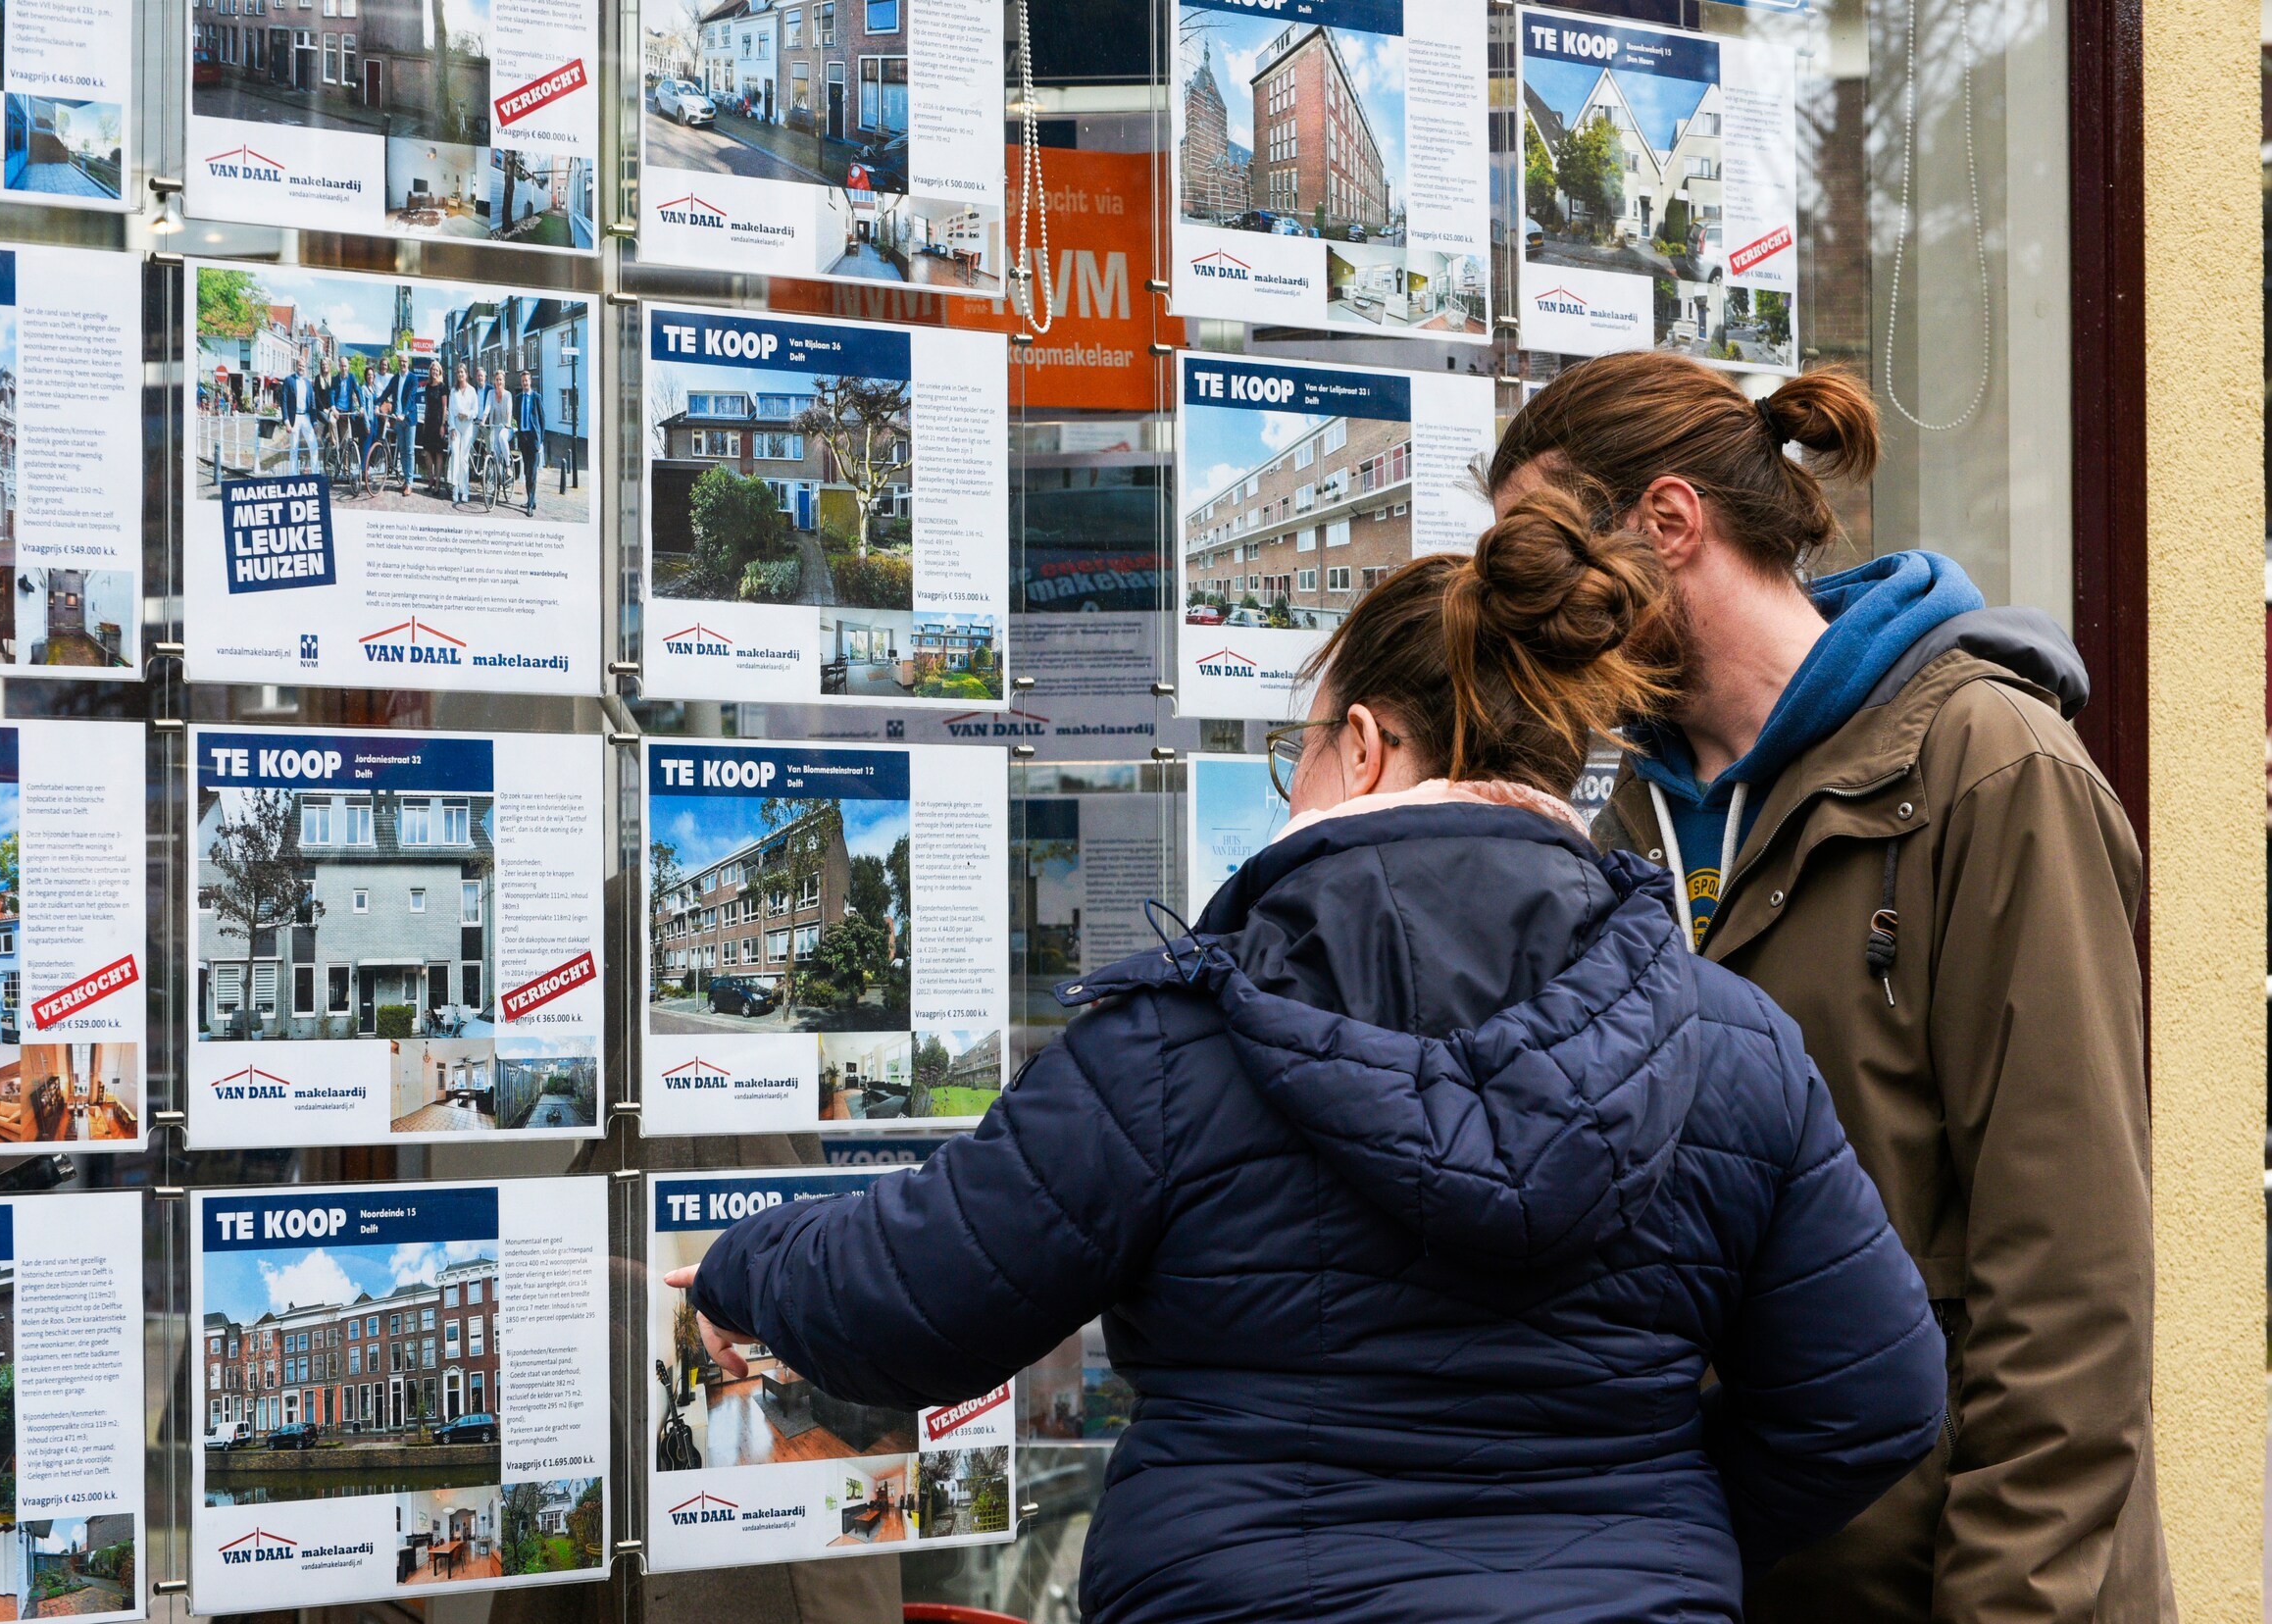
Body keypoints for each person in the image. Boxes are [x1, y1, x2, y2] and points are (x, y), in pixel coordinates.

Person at [667, 530, 1945, 1624]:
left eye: (1308, 750)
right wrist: (1641, 1535)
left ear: (1372, 748)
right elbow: (1876, 1399)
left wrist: (745, 1268)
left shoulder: (1182, 1041)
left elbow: (922, 1301)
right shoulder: (1734, 1042)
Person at [1485, 352, 2165, 1622]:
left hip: (1958, 1582)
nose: (1530, 608)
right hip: (1723, 1579)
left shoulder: (1988, 767)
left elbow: (2072, 1278)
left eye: (1548, 550)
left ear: (1670, 523)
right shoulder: (1631, 826)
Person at [512, 368, 544, 514]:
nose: (525, 383)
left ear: (530, 381)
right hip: (523, 437)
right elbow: (516, 416)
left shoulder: (537, 397)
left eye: (527, 380)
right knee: (526, 471)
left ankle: (530, 505)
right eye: (523, 381)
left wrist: (541, 440)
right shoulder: (518, 398)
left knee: (532, 472)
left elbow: (542, 420)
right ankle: (532, 500)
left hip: (534, 438)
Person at [278, 359, 317, 474]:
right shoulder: (289, 380)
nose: (301, 368)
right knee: (294, 449)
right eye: (300, 366)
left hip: (306, 417)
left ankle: (315, 474)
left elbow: (312, 402)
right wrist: (286, 421)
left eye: (303, 366)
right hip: (294, 418)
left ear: (305, 368)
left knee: (313, 445)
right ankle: (293, 476)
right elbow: (283, 401)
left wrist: (314, 422)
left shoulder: (308, 383)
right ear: (296, 366)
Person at [447, 363, 480, 503]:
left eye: (463, 372)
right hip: (456, 427)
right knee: (455, 455)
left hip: (467, 427)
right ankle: (455, 488)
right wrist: (452, 428)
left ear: (466, 374)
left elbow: (475, 411)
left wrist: (467, 415)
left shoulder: (472, 391)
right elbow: (450, 411)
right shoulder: (453, 391)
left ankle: (464, 491)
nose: (461, 374)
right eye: (458, 372)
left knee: (464, 459)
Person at [416, 360, 449, 495]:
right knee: (427, 453)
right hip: (429, 422)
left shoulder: (442, 387)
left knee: (438, 453)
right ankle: (431, 479)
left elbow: (445, 407)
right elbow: (427, 405)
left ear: (439, 372)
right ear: (430, 372)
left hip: (438, 422)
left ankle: (438, 484)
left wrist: (443, 425)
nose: (434, 372)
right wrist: (424, 423)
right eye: (432, 370)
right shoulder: (428, 387)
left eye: (437, 370)